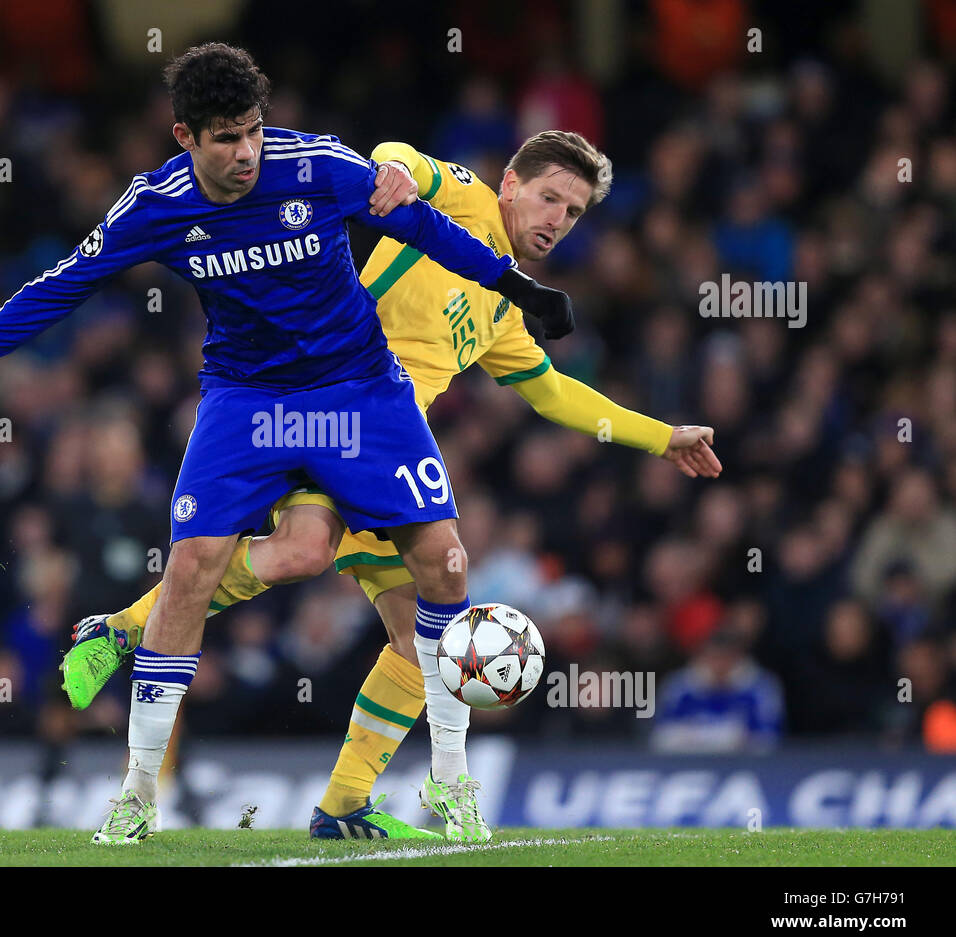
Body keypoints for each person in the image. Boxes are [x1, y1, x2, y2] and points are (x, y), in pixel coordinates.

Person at [0, 43, 578, 844]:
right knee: (193, 566)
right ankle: (138, 793)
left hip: (360, 389)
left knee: (444, 558)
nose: (246, 153)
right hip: (247, 399)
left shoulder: (316, 168)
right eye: (225, 139)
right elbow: (52, 293)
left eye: (253, 132)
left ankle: (451, 783)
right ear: (185, 137)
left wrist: (517, 288)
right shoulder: (153, 208)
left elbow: (422, 226)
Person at [63, 128, 724, 840]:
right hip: (326, 402)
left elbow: (556, 395)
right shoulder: (464, 204)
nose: (557, 219)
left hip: (383, 451)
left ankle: (343, 804)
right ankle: (124, 630)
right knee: (305, 552)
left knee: (416, 633)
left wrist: (663, 437)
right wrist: (392, 172)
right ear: (509, 184)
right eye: (549, 198)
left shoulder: (505, 309)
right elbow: (400, 155)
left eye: (573, 212)